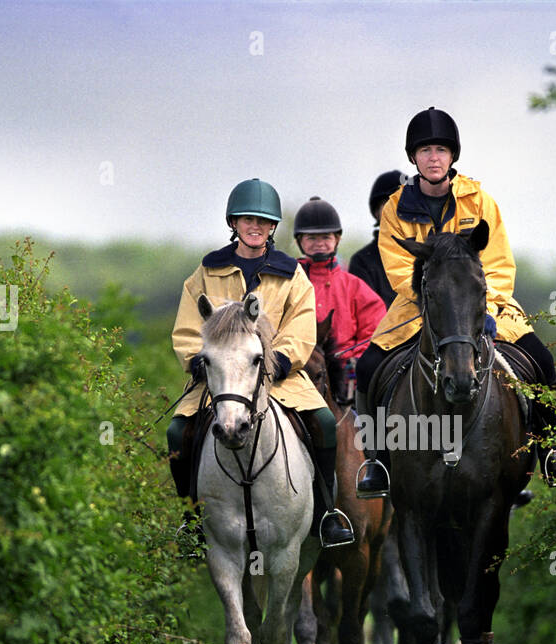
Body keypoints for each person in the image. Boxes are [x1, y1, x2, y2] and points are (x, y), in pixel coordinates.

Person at [353, 107, 556, 497]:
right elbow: (398, 267)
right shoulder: (394, 208)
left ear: (452, 155)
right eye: (425, 151)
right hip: (418, 307)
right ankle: (377, 461)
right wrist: (433, 304)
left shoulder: (481, 201)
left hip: (483, 305)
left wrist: (487, 311)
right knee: (370, 368)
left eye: (441, 149)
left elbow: (498, 264)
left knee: (541, 359)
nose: (434, 157)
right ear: (413, 158)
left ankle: (550, 448)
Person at [166, 178, 355, 548]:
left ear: (273, 228)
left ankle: (325, 514)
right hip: (219, 383)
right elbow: (188, 329)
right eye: (247, 219)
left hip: (279, 378)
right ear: (233, 223)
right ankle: (191, 520)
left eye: (264, 222)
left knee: (325, 423)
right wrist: (198, 361)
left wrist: (277, 362)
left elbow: (301, 329)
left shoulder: (292, 274)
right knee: (177, 432)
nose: (255, 227)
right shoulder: (206, 272)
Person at [292, 196, 386, 405]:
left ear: (337, 239)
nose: (319, 244)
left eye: (325, 237)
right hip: (299, 370)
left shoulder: (354, 286)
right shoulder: (290, 283)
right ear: (300, 241)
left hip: (346, 373)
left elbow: (375, 329)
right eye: (311, 238)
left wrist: (358, 360)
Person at [347, 170, 404, 310]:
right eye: (389, 204)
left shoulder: (427, 255)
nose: (395, 211)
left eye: (402, 203)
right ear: (376, 212)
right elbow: (367, 315)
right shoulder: (362, 262)